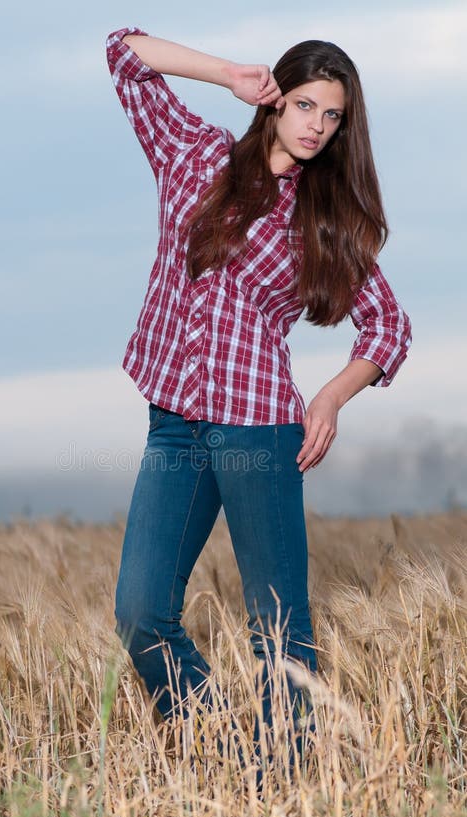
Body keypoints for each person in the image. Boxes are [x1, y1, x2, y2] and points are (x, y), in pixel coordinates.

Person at [106, 26, 411, 770]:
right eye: (305, 103)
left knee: (278, 625)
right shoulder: (196, 155)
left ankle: (287, 781)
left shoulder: (325, 220)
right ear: (277, 101)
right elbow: (124, 52)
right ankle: (233, 755)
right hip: (174, 424)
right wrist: (226, 75)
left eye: (332, 115)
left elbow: (389, 326)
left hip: (257, 430)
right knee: (143, 616)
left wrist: (332, 398)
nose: (316, 124)